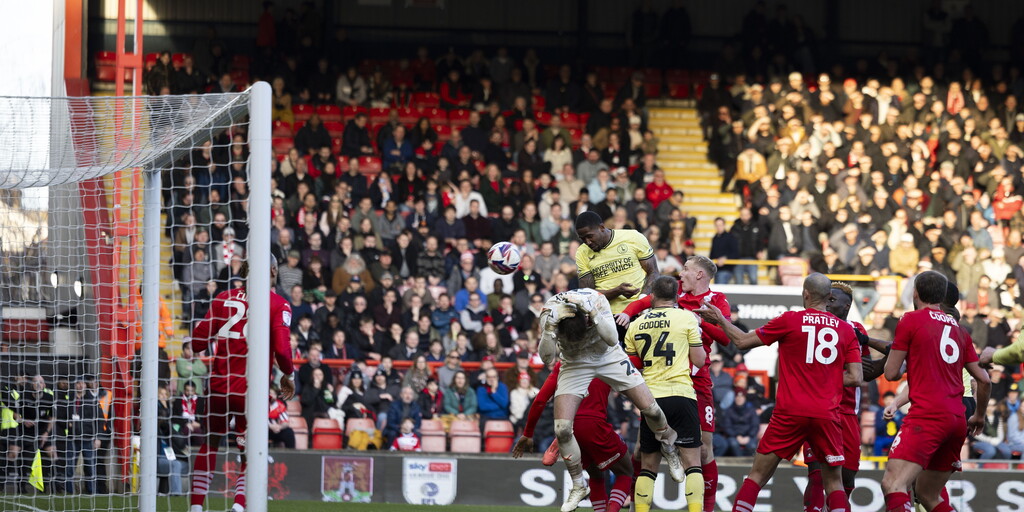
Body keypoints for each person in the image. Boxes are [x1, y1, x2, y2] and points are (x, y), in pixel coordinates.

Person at [695, 273, 862, 512]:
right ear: (828, 297)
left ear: (806, 294)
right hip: (827, 414)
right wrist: (824, 379)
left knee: (757, 476)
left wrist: (720, 320)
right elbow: (856, 377)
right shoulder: (847, 331)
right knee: (834, 483)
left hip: (789, 412)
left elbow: (741, 341)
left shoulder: (790, 320)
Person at [538, 288, 684, 512]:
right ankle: (578, 484)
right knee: (562, 428)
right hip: (575, 362)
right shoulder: (550, 312)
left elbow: (613, 338)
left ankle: (668, 444)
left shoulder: (596, 301)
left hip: (607, 355)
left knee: (651, 409)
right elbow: (547, 358)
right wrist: (548, 330)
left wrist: (595, 315)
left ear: (585, 321)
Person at [617, 255, 731, 512]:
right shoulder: (674, 294)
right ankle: (637, 504)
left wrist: (700, 321)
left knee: (703, 451)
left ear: (700, 275)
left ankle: (706, 507)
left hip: (696, 382)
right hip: (661, 378)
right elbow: (646, 300)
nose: (681, 274)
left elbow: (725, 336)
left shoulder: (716, 301)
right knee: (639, 451)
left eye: (686, 269)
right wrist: (626, 313)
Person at [189, 257, 295, 512]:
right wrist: (288, 375)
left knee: (210, 443)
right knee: (250, 450)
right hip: (250, 391)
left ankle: (195, 507)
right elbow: (282, 349)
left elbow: (196, 343)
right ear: (273, 270)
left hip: (217, 387)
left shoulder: (223, 298)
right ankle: (238, 507)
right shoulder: (279, 304)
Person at [880, 271, 991, 512]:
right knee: (929, 496)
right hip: (957, 419)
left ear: (915, 293)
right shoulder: (961, 332)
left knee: (893, 484)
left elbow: (891, 374)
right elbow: (984, 380)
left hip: (927, 416)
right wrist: (980, 416)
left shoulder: (910, 320)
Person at [803, 282, 890, 511]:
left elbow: (867, 372)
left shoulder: (856, 328)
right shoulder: (814, 323)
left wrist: (894, 358)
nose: (827, 303)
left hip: (848, 412)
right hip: (818, 409)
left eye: (833, 300)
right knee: (817, 474)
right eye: (827, 299)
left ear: (847, 305)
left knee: (848, 477)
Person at [623, 275, 707, 512]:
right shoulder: (686, 318)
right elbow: (699, 359)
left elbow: (633, 364)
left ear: (652, 296)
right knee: (692, 462)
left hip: (650, 399)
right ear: (677, 296)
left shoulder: (636, 324)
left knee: (648, 464)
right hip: (681, 394)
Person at [513, 359, 637, 512]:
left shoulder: (563, 363)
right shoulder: (607, 358)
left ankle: (582, 490)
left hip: (571, 432)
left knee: (596, 476)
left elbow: (540, 399)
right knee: (626, 472)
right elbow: (636, 368)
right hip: (594, 425)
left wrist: (528, 433)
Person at [574, 211, 660, 319]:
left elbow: (654, 272)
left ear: (601, 227)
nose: (587, 242)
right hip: (606, 315)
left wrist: (642, 301)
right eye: (582, 239)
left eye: (589, 236)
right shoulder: (582, 252)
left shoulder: (633, 237)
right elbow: (588, 294)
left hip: (639, 311)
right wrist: (617, 291)